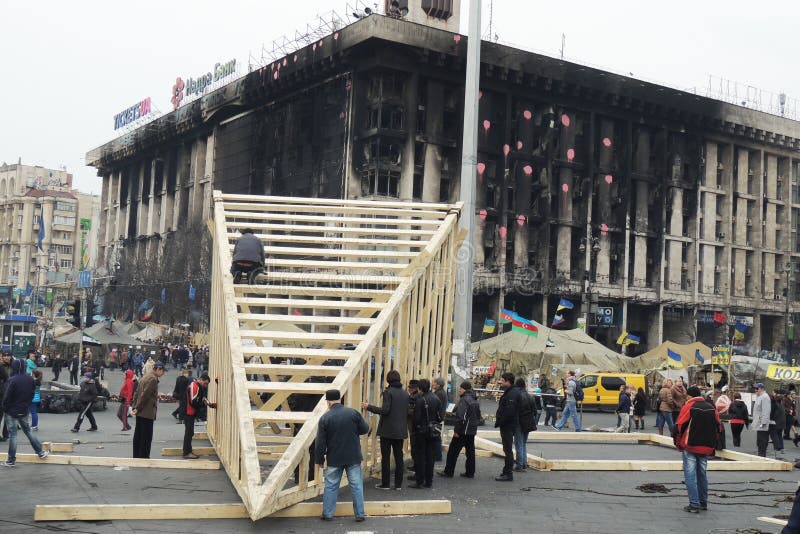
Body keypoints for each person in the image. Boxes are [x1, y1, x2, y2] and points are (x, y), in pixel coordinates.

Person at [315, 389, 369, 522]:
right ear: (340, 399)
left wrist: (320, 459)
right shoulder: (353, 413)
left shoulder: (325, 418)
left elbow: (320, 443)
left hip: (335, 457)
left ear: (328, 402)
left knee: (331, 486)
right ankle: (360, 514)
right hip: (353, 456)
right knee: (356, 485)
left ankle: (327, 514)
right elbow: (365, 429)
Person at [674, 385, 722, 513]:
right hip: (706, 447)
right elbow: (719, 428)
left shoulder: (689, 406)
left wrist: (678, 444)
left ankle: (694, 505)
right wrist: (713, 445)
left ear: (689, 396)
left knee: (690, 475)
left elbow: (679, 426)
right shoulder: (711, 407)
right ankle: (703, 502)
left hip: (690, 445)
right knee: (702, 474)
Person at [362, 369, 409, 490]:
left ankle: (386, 483)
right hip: (401, 430)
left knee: (386, 458)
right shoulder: (405, 393)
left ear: (388, 379)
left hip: (388, 431)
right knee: (399, 458)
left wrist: (369, 407)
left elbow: (385, 411)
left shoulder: (388, 392)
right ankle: (398, 484)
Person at [1, 358, 49, 466]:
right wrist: (26, 405)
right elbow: (31, 394)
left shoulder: (12, 379)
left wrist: (5, 407)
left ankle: (11, 460)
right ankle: (40, 452)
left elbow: (7, 396)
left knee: (13, 435)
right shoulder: (30, 379)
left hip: (11, 411)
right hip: (23, 410)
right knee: (28, 431)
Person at [438, 381, 480, 479]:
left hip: (462, 431)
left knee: (453, 452)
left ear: (464, 389)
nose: (459, 390)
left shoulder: (464, 400)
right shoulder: (474, 399)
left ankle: (448, 472)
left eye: (460, 388)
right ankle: (470, 472)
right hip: (471, 430)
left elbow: (461, 417)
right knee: (470, 453)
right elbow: (478, 415)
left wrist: (457, 431)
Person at [410, 378, 442, 489]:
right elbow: (441, 416)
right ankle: (429, 481)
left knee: (420, 457)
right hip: (433, 431)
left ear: (420, 388)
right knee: (430, 457)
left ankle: (419, 480)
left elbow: (416, 419)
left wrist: (415, 430)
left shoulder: (421, 400)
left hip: (422, 432)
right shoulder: (436, 398)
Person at [131, 362, 166, 458]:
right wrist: (137, 407)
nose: (163, 373)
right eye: (162, 371)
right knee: (146, 436)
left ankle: (137, 455)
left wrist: (135, 407)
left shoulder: (145, 376)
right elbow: (145, 395)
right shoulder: (153, 379)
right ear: (158, 369)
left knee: (138, 434)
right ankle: (143, 456)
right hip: (147, 412)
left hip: (141, 411)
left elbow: (137, 392)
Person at [494, 372, 521, 481]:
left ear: (508, 381)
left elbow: (509, 411)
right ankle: (506, 471)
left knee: (508, 450)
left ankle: (508, 473)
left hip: (508, 425)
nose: (501, 382)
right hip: (508, 424)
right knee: (507, 449)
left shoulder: (512, 393)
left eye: (502, 380)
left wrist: (501, 421)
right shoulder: (510, 392)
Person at [183, 373, 216, 459]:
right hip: (189, 412)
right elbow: (193, 402)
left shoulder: (197, 386)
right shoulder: (194, 386)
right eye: (205, 383)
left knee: (190, 432)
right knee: (189, 433)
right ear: (200, 379)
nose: (205, 385)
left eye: (207, 384)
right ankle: (187, 453)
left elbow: (201, 397)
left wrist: (208, 403)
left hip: (190, 412)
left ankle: (188, 451)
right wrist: (203, 405)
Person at [514, 377, 536, 471]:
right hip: (528, 422)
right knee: (523, 443)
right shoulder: (530, 396)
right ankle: (524, 463)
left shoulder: (516, 396)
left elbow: (514, 410)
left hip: (519, 421)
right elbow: (535, 411)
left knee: (518, 444)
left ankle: (519, 465)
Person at [753, 383, 772, 457]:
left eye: (757, 389)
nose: (755, 390)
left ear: (761, 389)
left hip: (762, 423)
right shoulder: (760, 396)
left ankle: (762, 455)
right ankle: (760, 454)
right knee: (759, 440)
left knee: (762, 440)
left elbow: (766, 411)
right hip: (759, 422)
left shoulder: (764, 397)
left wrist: (763, 422)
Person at [406, 379, 420, 478]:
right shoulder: (413, 396)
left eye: (411, 388)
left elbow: (414, 412)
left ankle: (417, 469)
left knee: (415, 448)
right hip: (413, 426)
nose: (409, 389)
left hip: (414, 427)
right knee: (414, 447)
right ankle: (415, 466)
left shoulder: (416, 398)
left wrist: (406, 410)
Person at [432, 377, 447, 462]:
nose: (432, 384)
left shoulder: (439, 393)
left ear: (438, 384)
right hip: (439, 417)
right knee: (436, 436)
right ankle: (437, 455)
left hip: (437, 417)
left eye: (434, 383)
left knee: (435, 437)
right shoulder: (441, 392)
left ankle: (437, 456)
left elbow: (436, 406)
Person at [0, 351, 12, 441]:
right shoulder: (1, 367)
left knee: (8, 415)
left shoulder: (13, 366)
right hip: (2, 393)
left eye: (8, 356)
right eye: (5, 356)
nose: (6, 357)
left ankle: (6, 434)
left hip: (10, 393)